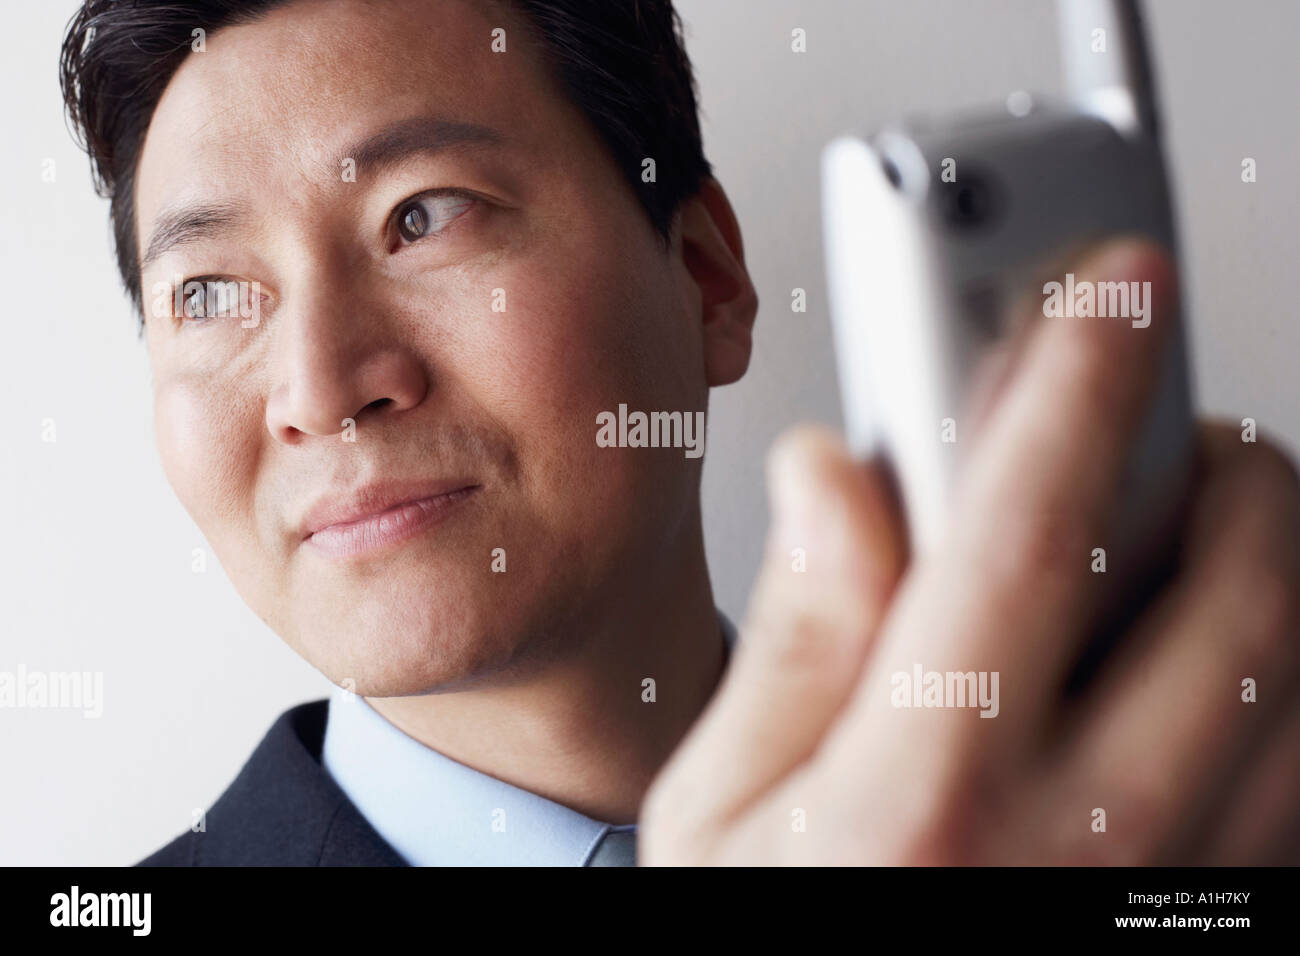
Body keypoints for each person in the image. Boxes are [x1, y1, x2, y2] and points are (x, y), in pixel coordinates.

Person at [59, 0, 1300, 867]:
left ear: (707, 277)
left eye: (422, 215)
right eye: (210, 293)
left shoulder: (1187, 813)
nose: (321, 387)